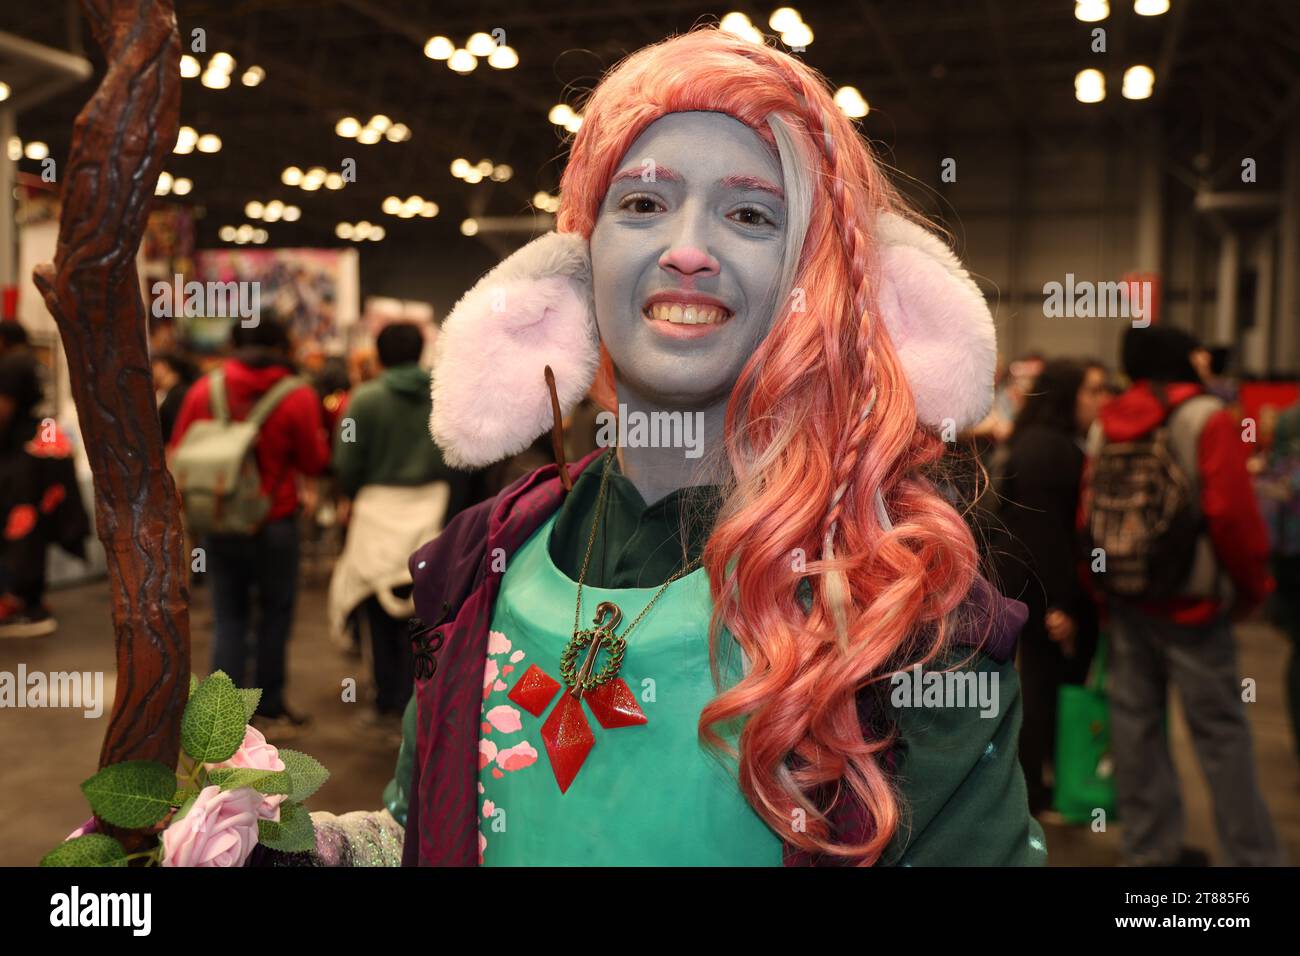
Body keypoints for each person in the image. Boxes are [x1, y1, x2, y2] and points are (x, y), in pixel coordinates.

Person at [255, 26, 1042, 868]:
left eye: (749, 214)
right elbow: (435, 829)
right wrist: (304, 850)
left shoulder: (899, 603)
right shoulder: (482, 560)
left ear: (819, 281)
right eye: (641, 204)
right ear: (576, 260)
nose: (688, 251)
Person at [1089, 324, 1283, 866]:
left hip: (1128, 602)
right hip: (1193, 606)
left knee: (1136, 731)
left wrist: (1103, 594)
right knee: (1221, 737)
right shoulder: (1206, 419)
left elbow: (1088, 518)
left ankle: (1150, 855)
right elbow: (1232, 519)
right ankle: (1253, 858)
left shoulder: (1107, 424)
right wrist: (1251, 589)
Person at [169, 316, 331, 733]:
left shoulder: (206, 388)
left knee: (228, 615)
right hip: (275, 521)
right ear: (281, 343)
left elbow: (179, 449)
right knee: (275, 614)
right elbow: (315, 460)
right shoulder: (297, 395)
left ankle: (223, 718)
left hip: (221, 520)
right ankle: (270, 704)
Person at [988, 358, 1108, 815]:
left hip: (1023, 579)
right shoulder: (1056, 451)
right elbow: (1049, 535)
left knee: (1032, 686)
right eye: (1090, 391)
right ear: (1066, 395)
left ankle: (1034, 784)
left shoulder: (1034, 440)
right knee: (1042, 689)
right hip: (1042, 585)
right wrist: (1060, 603)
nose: (1099, 401)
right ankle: (1036, 789)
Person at [329, 322, 453, 732]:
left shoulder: (365, 399)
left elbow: (346, 465)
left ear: (378, 355)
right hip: (433, 509)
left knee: (375, 605)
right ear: (421, 351)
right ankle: (422, 695)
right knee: (424, 607)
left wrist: (350, 490)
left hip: (377, 513)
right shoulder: (443, 391)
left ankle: (386, 701)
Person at [0, 350, 91, 638]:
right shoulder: (37, 428)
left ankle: (21, 601)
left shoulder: (32, 433)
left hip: (26, 517)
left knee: (23, 533)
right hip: (30, 514)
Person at [152, 350, 198, 444]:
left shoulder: (178, 394)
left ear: (165, 366)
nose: (151, 369)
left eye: (155, 364)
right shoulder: (170, 393)